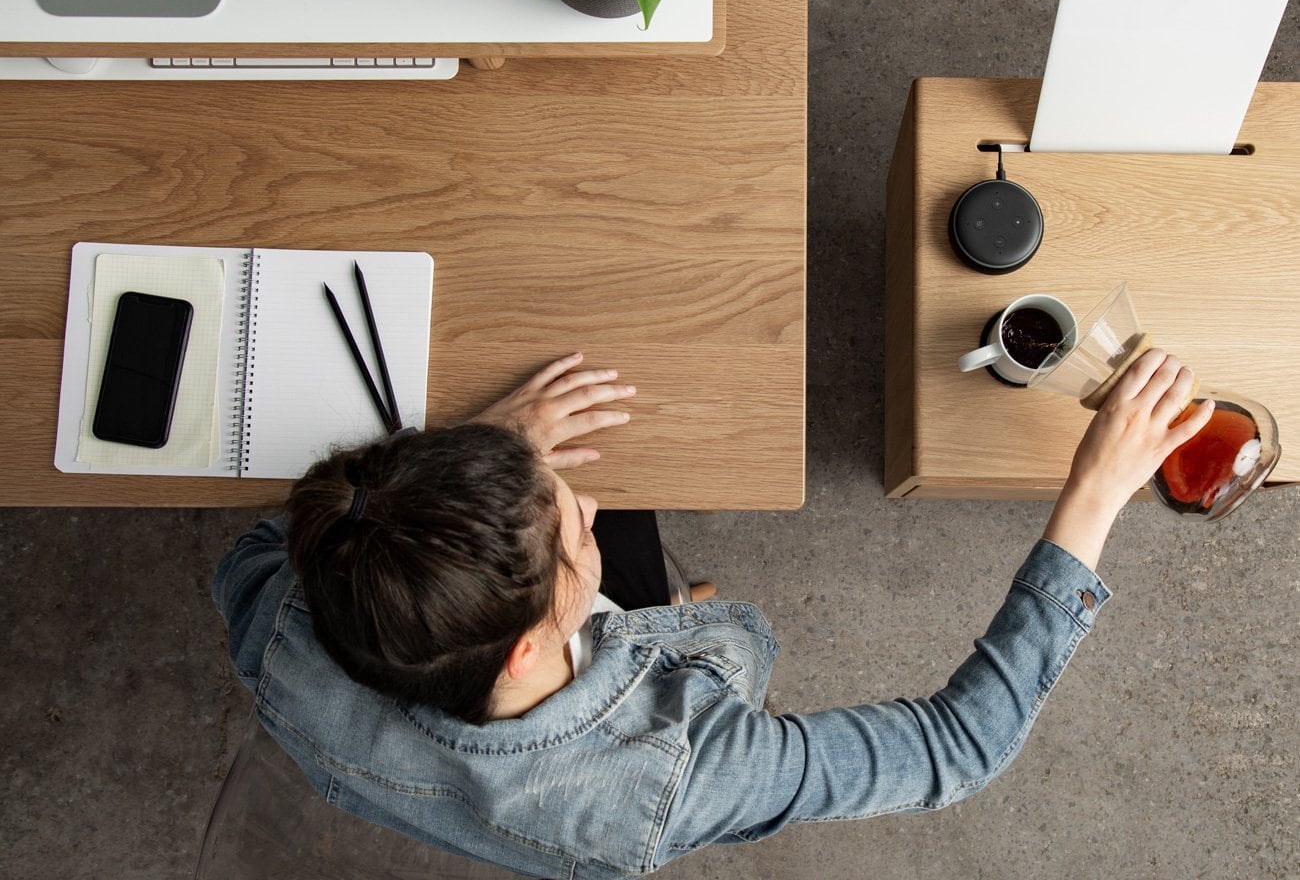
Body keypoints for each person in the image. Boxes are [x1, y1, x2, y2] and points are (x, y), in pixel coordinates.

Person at [213, 348, 1213, 879]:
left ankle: (659, 607)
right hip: (615, 746)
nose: (586, 505)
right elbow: (956, 746)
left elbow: (278, 540)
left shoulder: (284, 616)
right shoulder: (679, 779)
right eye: (572, 532)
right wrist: (1093, 493)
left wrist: (473, 462)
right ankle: (675, 618)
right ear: (532, 641)